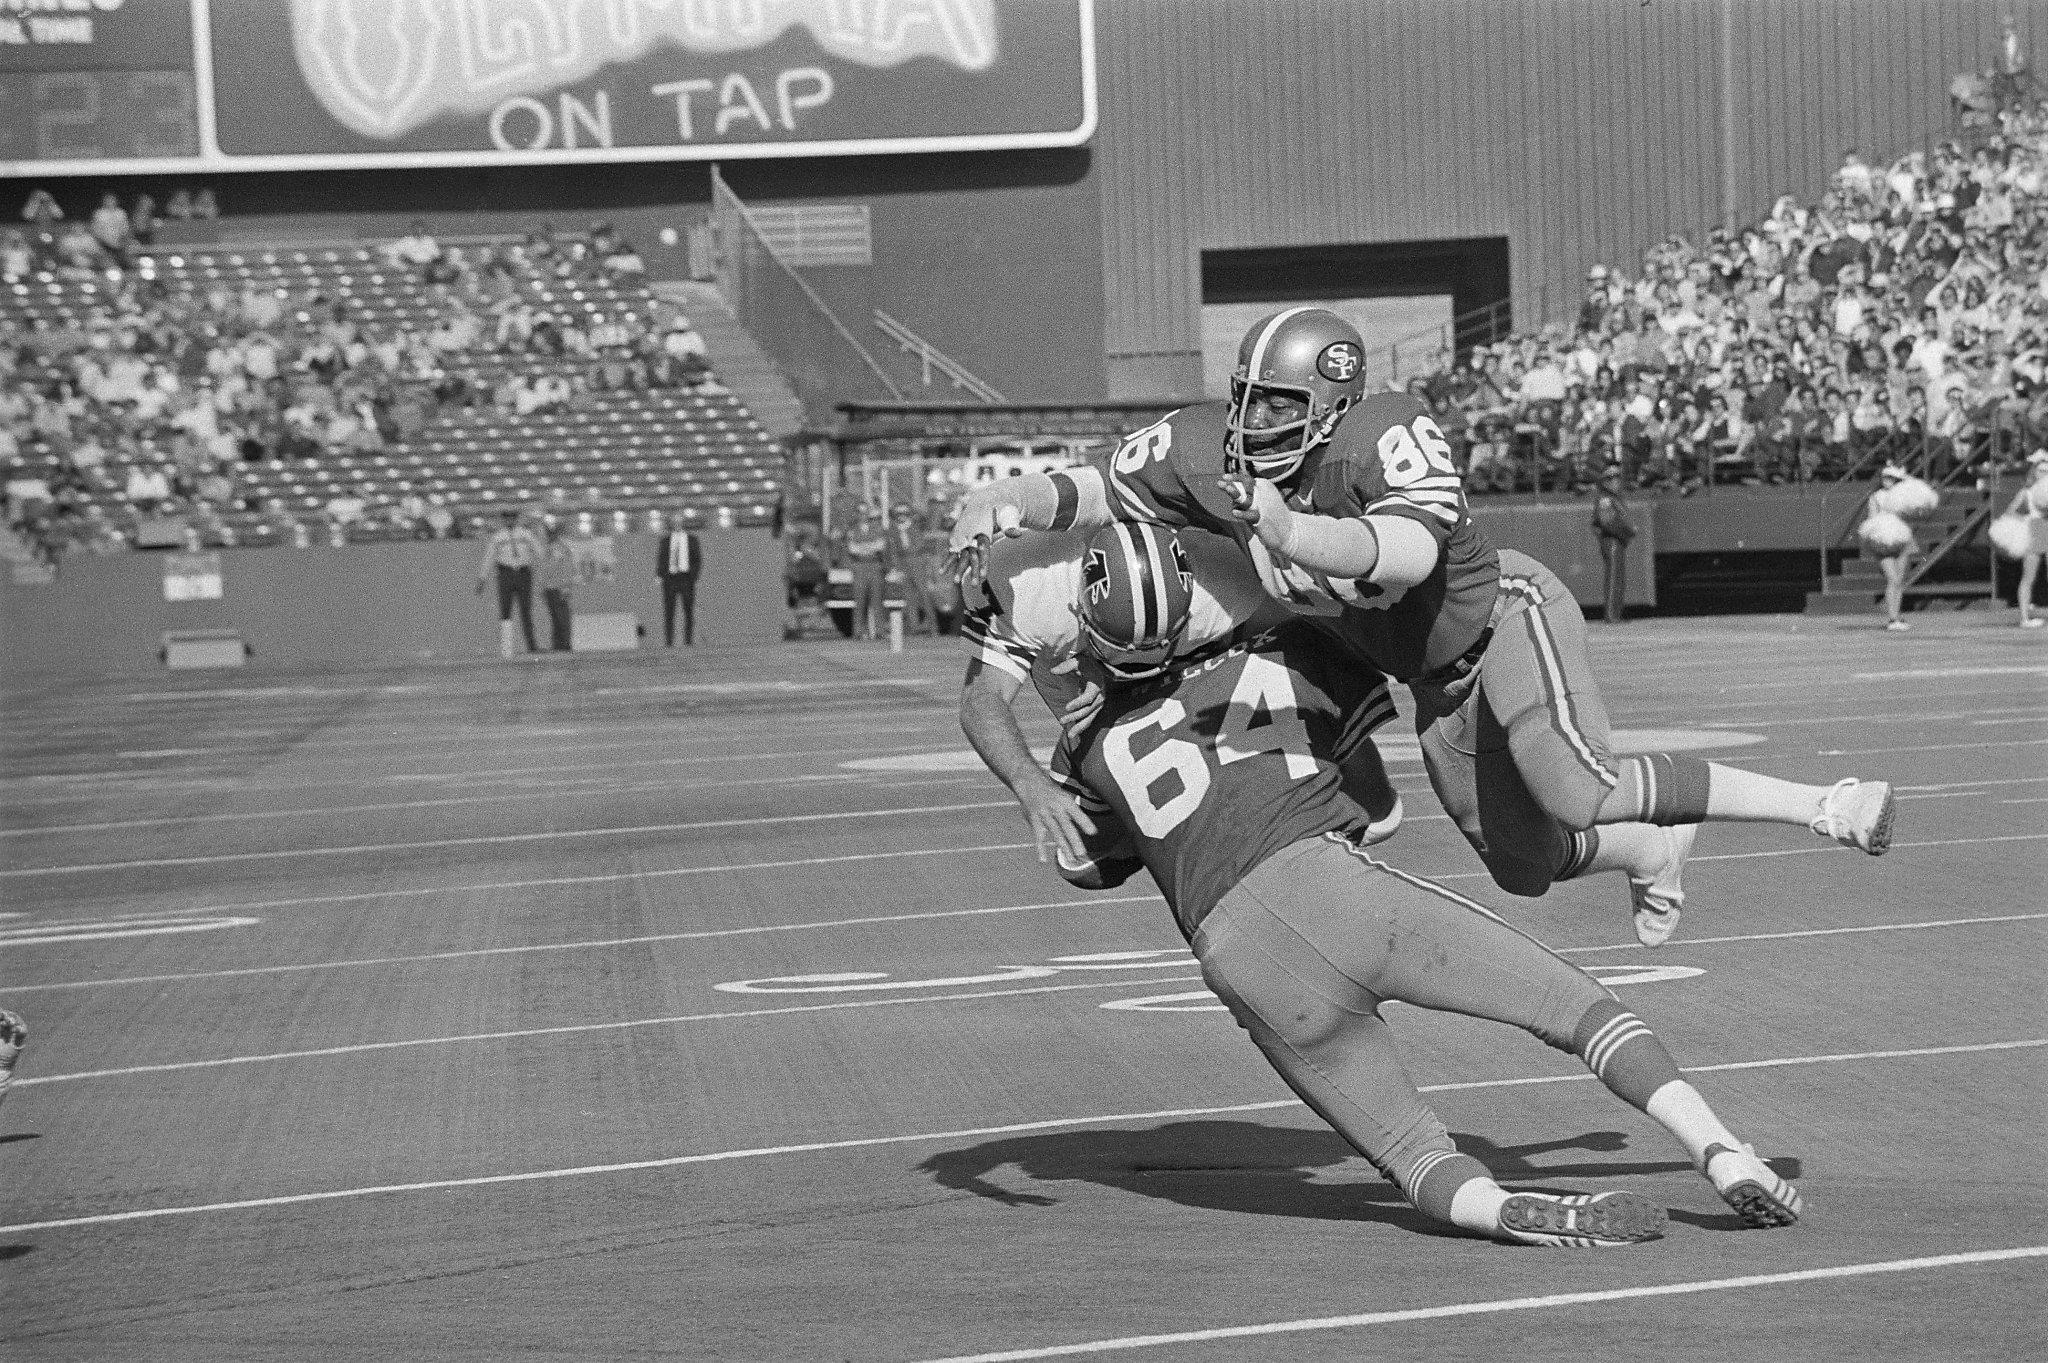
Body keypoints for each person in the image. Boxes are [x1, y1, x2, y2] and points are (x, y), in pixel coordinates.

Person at [950, 307, 1897, 949]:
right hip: (1429, 682)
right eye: (1248, 395)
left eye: (1281, 403)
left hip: (1500, 619)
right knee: (1525, 867)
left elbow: (1403, 553)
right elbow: (1095, 484)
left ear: (1335, 406)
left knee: (1574, 784)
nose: (1253, 418)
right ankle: (1653, 847)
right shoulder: (1205, 446)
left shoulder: (1384, 434)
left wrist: (1286, 527)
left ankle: (1825, 801)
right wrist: (1013, 495)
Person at [1045, 523, 1801, 1247]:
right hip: (1331, 889)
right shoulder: (1284, 649)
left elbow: (1083, 865)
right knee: (1576, 1007)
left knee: (1409, 1149)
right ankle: (1722, 1150)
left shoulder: (1091, 743)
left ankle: (1496, 1209)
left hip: (1236, 955)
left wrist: (1076, 738)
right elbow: (1380, 811)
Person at [960, 517, 1390, 866]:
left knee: (1298, 660)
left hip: (1197, 646)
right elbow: (982, 699)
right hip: (1071, 670)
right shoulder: (1026, 583)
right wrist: (1030, 784)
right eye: (1124, 651)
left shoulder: (1226, 578)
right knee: (1087, 864)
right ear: (1079, 608)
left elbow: (1310, 636)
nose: (1140, 667)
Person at [1857, 463, 1937, 632]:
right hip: (1883, 538)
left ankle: (1896, 617)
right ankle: (1892, 619)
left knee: (1899, 580)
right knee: (1892, 578)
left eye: (1892, 478)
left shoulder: (1903, 495)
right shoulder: (1876, 497)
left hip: (1902, 537)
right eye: (1885, 477)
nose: (1888, 481)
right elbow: (1872, 518)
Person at [1990, 449, 2048, 628]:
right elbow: (2009, 512)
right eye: (2041, 470)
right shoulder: (2027, 493)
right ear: (2034, 472)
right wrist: (2026, 519)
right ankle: (2024, 618)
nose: (2044, 473)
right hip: (2036, 532)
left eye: (2047, 470)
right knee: (2028, 576)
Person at [476, 508, 542, 657]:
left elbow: (539, 552)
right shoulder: (498, 537)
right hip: (505, 574)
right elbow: (489, 558)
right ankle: (506, 648)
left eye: (512, 518)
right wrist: (482, 578)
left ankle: (532, 646)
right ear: (503, 520)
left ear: (517, 519)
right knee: (505, 611)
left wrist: (544, 571)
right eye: (507, 518)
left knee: (526, 610)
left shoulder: (526, 534)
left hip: (524, 573)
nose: (510, 521)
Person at [1591, 464, 1635, 623]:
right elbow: (1608, 522)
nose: (1616, 481)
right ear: (1606, 482)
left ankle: (1615, 613)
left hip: (1617, 540)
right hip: (1612, 541)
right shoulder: (1605, 500)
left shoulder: (1614, 498)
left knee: (1618, 578)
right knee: (1613, 578)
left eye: (1617, 478)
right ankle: (1611, 615)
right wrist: (1628, 532)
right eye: (1612, 478)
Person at [839, 508, 890, 641]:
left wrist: (863, 547)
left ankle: (880, 631)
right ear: (857, 515)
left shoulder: (878, 529)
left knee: (877, 600)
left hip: (875, 567)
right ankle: (858, 631)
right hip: (859, 568)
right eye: (860, 513)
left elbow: (881, 545)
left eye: (865, 513)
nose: (863, 516)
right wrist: (869, 547)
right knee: (860, 601)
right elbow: (852, 549)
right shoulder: (852, 531)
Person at [656, 513, 702, 646]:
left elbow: (697, 559)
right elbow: (661, 558)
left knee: (688, 611)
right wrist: (660, 575)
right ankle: (669, 642)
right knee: (669, 612)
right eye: (674, 522)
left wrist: (693, 576)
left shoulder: (692, 539)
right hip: (670, 579)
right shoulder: (665, 540)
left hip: (686, 579)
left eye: (679, 522)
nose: (677, 525)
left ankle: (688, 641)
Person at [538, 521, 576, 651]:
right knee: (555, 619)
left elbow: (567, 569)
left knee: (563, 619)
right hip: (550, 589)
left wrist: (566, 588)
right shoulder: (546, 549)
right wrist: (543, 587)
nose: (550, 535)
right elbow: (543, 570)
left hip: (559, 588)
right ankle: (557, 645)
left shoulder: (562, 549)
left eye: (552, 533)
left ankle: (565, 645)